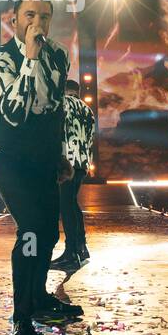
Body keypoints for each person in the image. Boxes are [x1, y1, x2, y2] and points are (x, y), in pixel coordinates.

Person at [0, 0, 83, 335]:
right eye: (30, 15)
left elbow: (53, 108)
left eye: (44, 16)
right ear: (14, 20)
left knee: (49, 233)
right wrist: (30, 57)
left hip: (43, 161)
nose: (37, 22)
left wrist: (59, 156)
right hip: (11, 161)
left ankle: (38, 297)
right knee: (30, 231)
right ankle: (21, 320)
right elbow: (13, 112)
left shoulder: (58, 55)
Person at [49, 80, 95, 273]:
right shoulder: (88, 110)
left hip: (66, 162)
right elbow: (91, 138)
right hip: (82, 163)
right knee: (71, 203)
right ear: (78, 91)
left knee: (65, 205)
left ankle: (71, 253)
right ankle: (81, 247)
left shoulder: (62, 104)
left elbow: (56, 133)